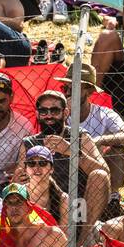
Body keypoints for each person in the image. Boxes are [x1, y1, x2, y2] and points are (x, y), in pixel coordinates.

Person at [15, 89, 112, 232]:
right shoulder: (29, 142)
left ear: (65, 113)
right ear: (37, 114)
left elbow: (104, 173)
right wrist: (18, 178)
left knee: (100, 175)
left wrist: (71, 151)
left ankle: (80, 244)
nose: (49, 116)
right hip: (43, 204)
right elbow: (19, 180)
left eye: (54, 111)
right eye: (44, 111)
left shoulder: (80, 137)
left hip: (78, 205)